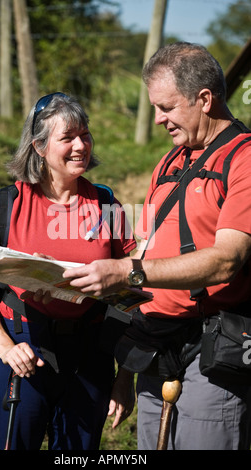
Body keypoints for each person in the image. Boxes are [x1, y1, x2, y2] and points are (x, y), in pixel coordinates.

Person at [64, 42, 251, 450]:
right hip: (152, 348)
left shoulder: (245, 159)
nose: (157, 119)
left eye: (166, 107)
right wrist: (124, 372)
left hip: (215, 351)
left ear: (204, 99)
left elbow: (227, 261)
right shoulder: (168, 163)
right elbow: (145, 254)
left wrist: (125, 270)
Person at [0, 92, 136, 450]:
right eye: (68, 137)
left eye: (85, 134)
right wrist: (7, 349)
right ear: (40, 147)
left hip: (91, 353)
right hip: (23, 348)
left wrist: (125, 377)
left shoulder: (106, 203)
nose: (81, 146)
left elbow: (133, 289)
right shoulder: (3, 207)